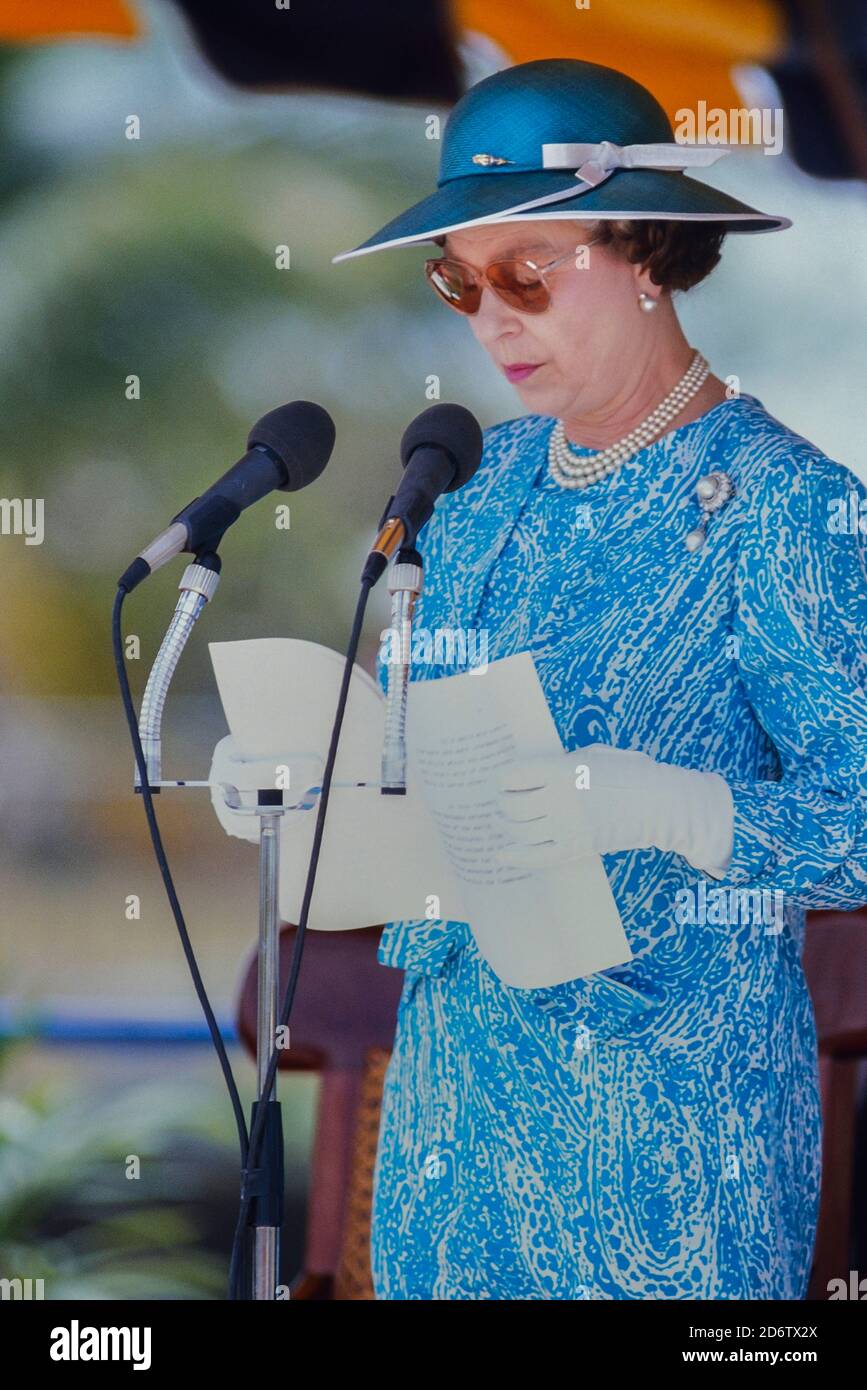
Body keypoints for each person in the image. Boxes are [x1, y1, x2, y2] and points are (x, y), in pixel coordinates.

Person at [332, 57, 867, 1300]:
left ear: (643, 248)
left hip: (676, 1138)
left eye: (527, 274)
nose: (490, 318)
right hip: (452, 1118)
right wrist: (327, 784)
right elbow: (421, 768)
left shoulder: (792, 508)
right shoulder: (470, 494)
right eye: (458, 282)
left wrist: (673, 804)